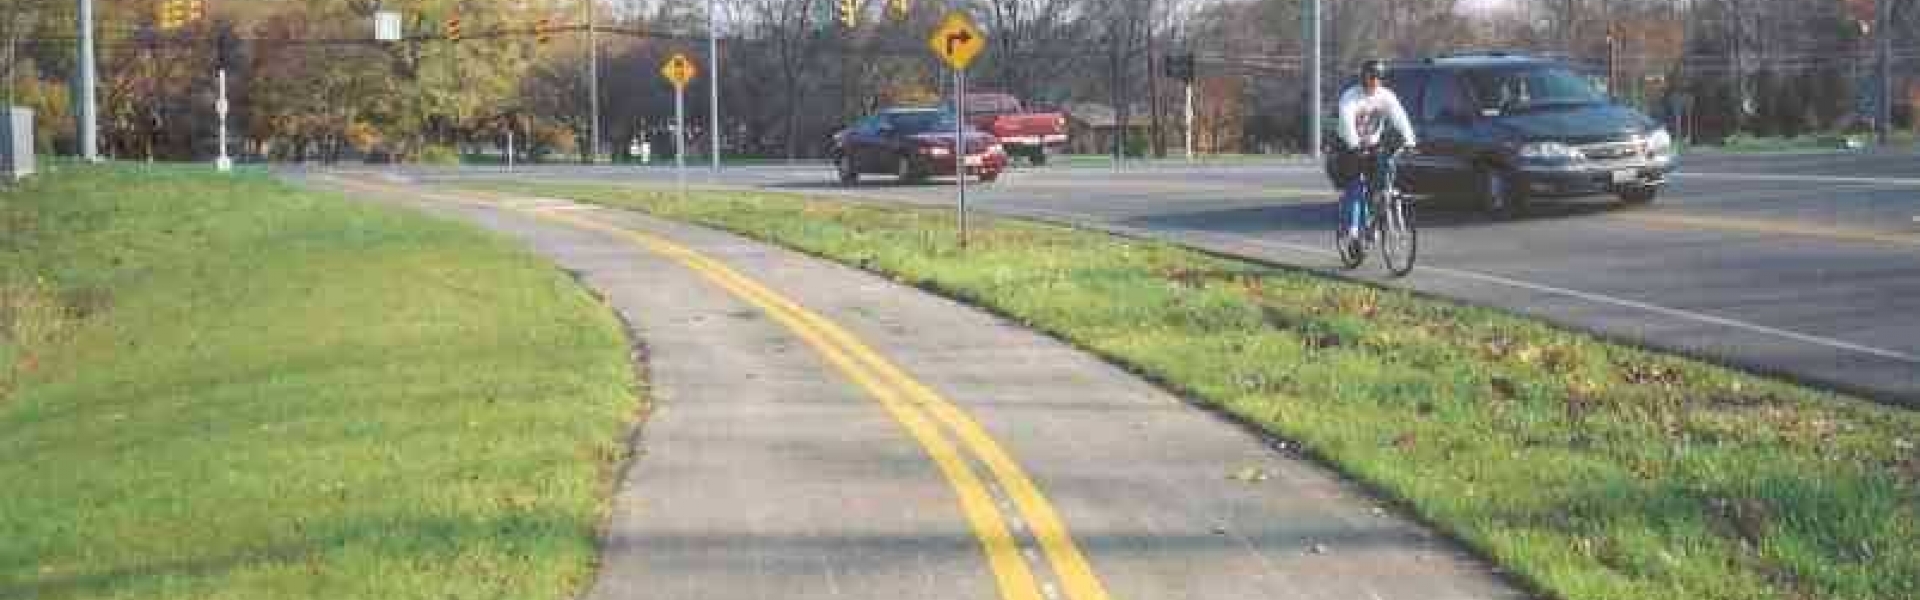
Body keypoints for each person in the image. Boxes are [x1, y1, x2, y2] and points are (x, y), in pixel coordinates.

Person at [1336, 60, 1418, 241]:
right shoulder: (1350, 96)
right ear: (1363, 78)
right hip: (1348, 145)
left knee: (1380, 183)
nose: (1374, 82)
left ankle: (1372, 222)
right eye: (1370, 78)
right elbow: (1346, 121)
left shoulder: (1386, 96)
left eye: (1378, 78)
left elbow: (1400, 117)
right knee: (1356, 186)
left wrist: (1410, 141)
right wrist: (1355, 145)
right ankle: (1353, 230)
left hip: (1373, 144)